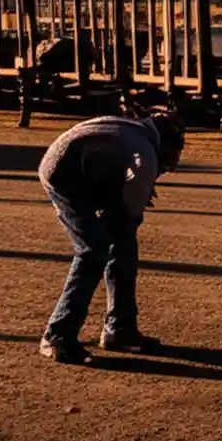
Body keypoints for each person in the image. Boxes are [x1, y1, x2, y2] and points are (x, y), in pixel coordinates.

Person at [37, 110, 187, 364]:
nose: (163, 171)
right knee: (93, 251)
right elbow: (132, 213)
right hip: (66, 175)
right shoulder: (146, 154)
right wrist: (132, 201)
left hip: (73, 164)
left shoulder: (133, 131)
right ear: (165, 148)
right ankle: (58, 335)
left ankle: (120, 329)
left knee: (122, 244)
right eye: (166, 166)